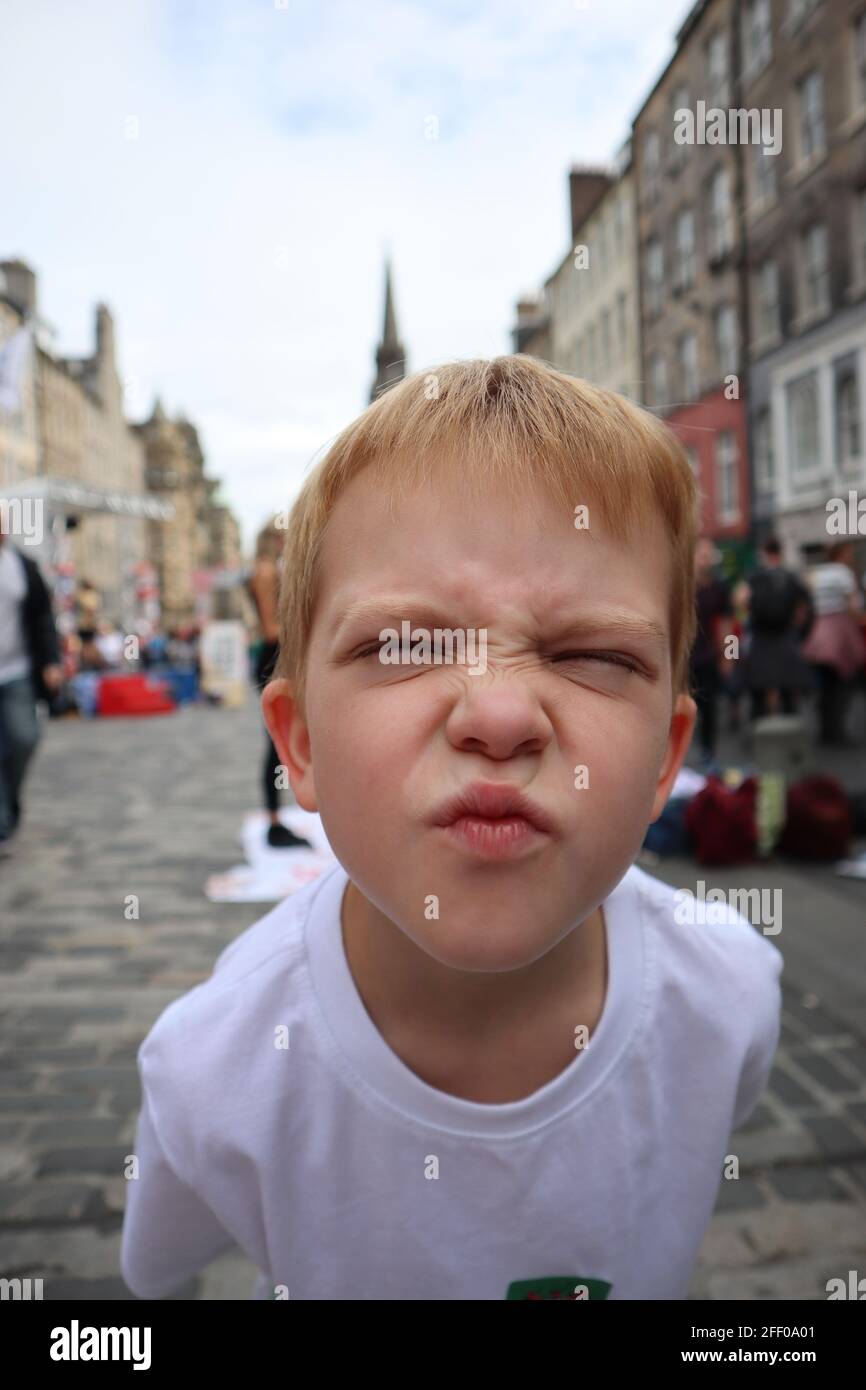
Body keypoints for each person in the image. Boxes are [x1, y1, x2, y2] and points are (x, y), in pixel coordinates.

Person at [121, 357, 782, 1302]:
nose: (502, 713)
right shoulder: (212, 1071)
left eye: (592, 655)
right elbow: (152, 1281)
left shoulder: (730, 996)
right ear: (299, 743)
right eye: (405, 646)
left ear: (667, 760)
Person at [248, 521, 311, 850]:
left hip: (277, 656)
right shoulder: (266, 571)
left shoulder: (269, 570)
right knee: (277, 741)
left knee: (282, 740)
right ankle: (273, 822)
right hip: (274, 657)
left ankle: (278, 818)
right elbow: (272, 629)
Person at [0, 526, 63, 843]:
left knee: (24, 737)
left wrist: (51, 661)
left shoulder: (22, 566)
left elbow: (42, 618)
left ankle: (9, 797)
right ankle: (2, 819)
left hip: (17, 670)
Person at [736, 536, 814, 720]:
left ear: (764, 553)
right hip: (785, 636)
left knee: (758, 689)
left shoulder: (754, 576)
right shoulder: (791, 576)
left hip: (761, 637)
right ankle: (790, 730)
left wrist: (750, 616)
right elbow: (806, 604)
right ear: (780, 553)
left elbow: (740, 600)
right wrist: (798, 628)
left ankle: (759, 732)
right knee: (788, 689)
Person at [801, 540, 865, 745]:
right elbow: (853, 604)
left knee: (825, 684)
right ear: (843, 553)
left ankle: (825, 728)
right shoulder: (844, 573)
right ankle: (837, 730)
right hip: (840, 628)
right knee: (843, 681)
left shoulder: (819, 573)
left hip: (820, 630)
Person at [688, 537, 732, 762]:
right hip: (683, 657)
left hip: (706, 656)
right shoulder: (682, 587)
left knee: (710, 708)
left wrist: (729, 657)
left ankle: (708, 752)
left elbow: (727, 625)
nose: (706, 561)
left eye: (709, 556)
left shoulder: (719, 588)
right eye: (702, 555)